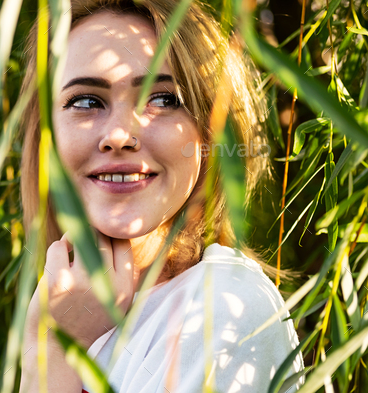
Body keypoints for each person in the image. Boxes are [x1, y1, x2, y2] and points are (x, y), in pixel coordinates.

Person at [17, 0, 305, 392]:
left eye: (164, 99)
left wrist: (49, 352)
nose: (120, 135)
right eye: (86, 101)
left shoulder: (225, 308)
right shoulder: (75, 310)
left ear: (209, 132)